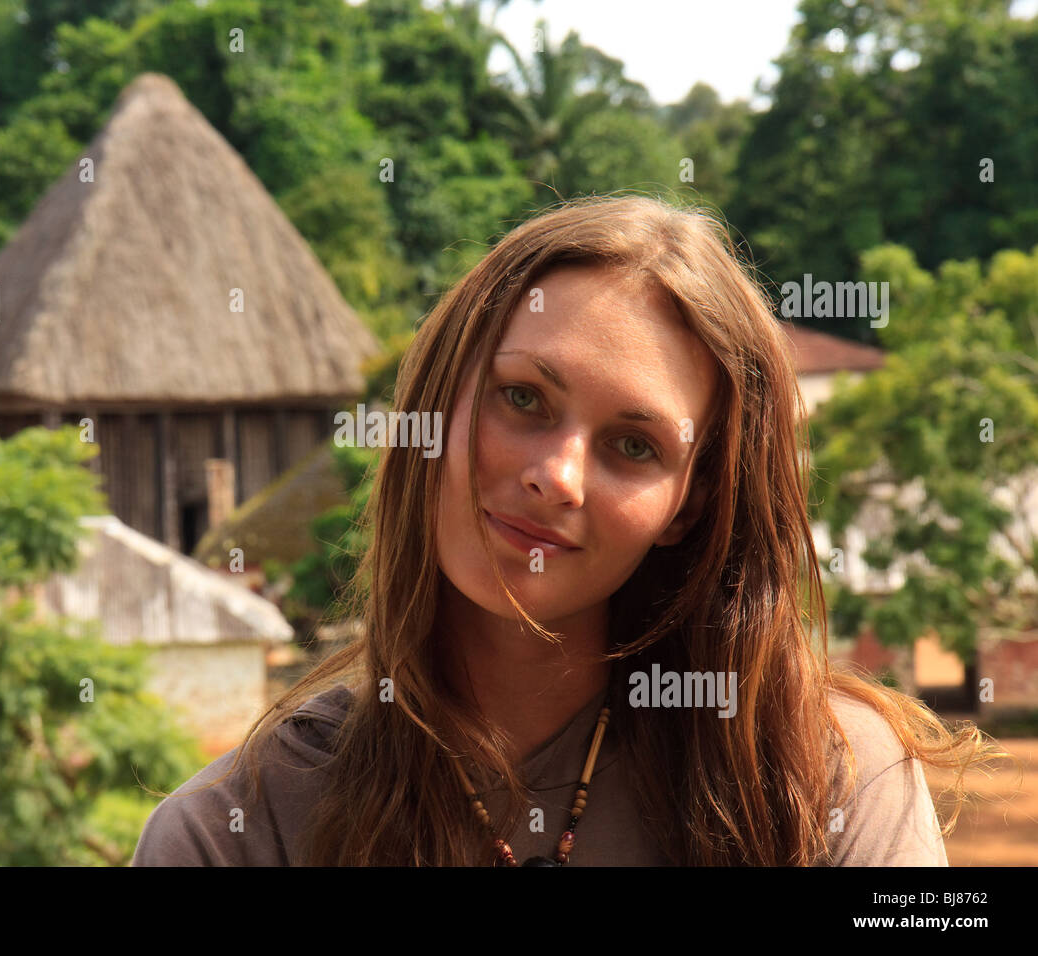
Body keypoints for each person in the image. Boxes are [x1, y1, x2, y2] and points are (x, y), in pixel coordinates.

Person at [133, 193, 1004, 867]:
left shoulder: (828, 781)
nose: (556, 473)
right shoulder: (234, 834)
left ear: (689, 506)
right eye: (523, 398)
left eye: (634, 446)